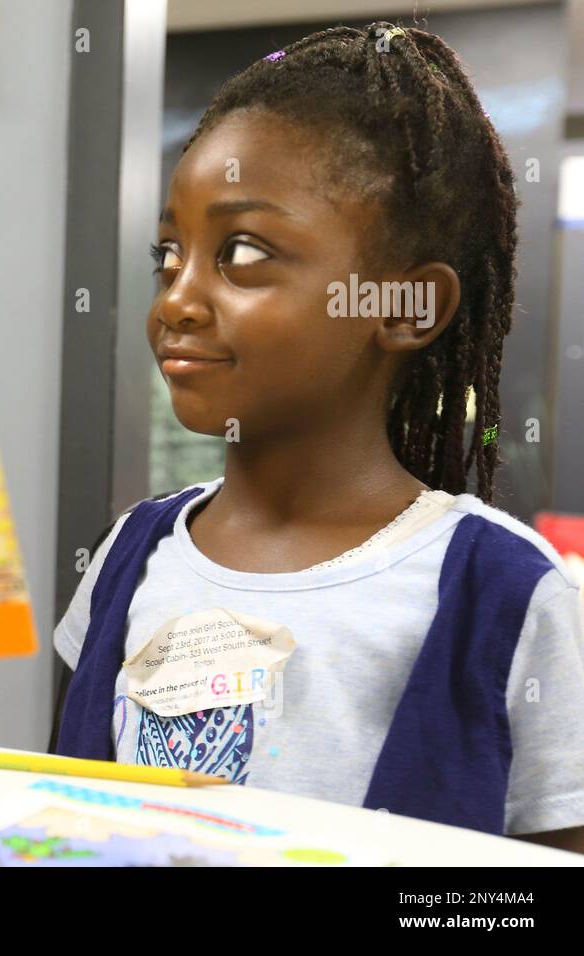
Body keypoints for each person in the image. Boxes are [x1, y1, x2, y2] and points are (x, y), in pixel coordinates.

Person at [51, 24, 584, 852]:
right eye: (170, 253)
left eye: (243, 253)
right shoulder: (129, 557)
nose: (178, 300)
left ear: (404, 308)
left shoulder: (503, 591)